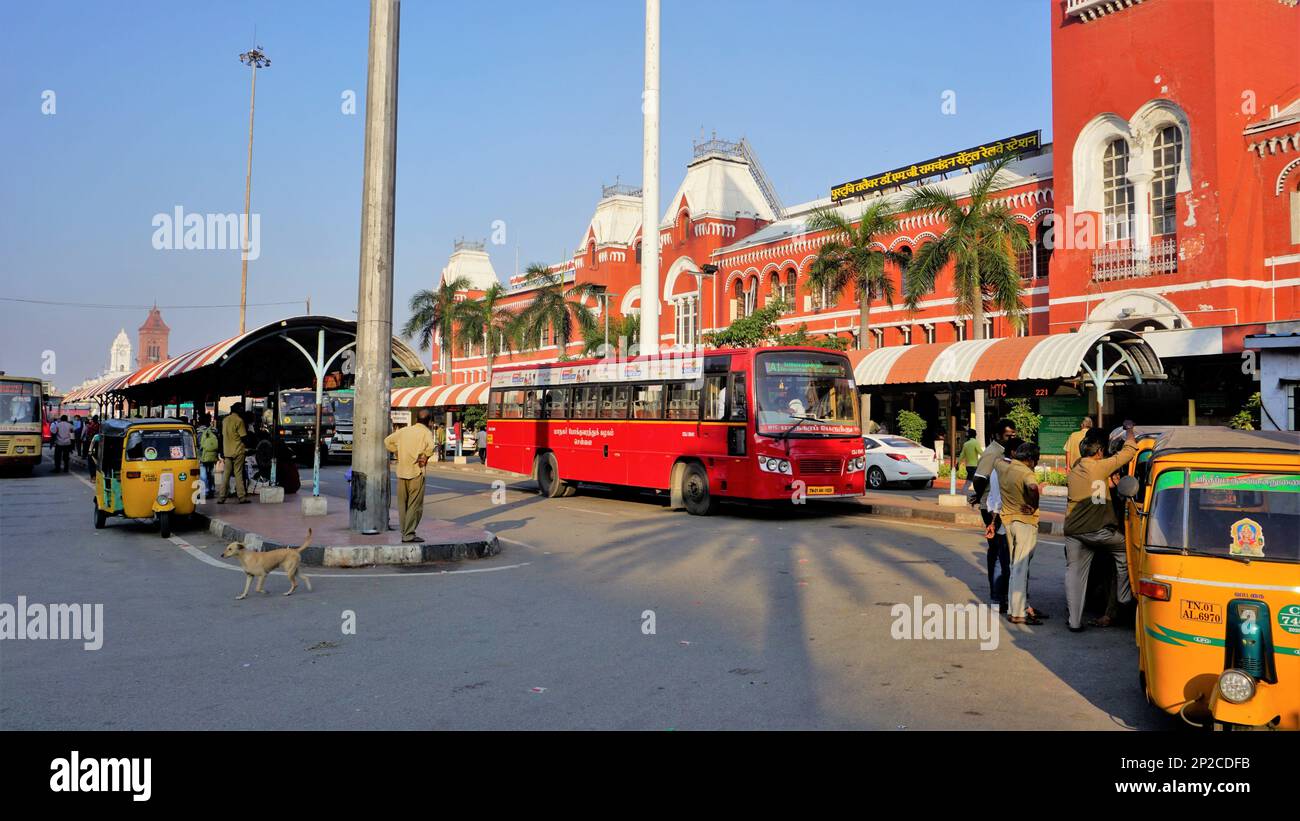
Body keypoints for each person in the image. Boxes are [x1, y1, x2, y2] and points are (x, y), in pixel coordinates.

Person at [1064, 420, 1138, 632]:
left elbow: (1097, 487)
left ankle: (1074, 622)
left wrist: (1111, 483)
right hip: (1098, 532)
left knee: (1074, 575)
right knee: (1125, 550)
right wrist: (1130, 429)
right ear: (1100, 452)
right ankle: (1124, 598)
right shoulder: (1101, 466)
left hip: (1073, 532)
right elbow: (1129, 450)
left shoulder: (1076, 467)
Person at [969, 418, 1016, 608]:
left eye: (1013, 434)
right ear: (997, 435)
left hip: (1003, 505)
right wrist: (980, 496)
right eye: (1008, 435)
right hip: (991, 507)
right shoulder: (993, 453)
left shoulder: (1006, 450)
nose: (1011, 438)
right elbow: (980, 479)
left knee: (1005, 552)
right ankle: (996, 595)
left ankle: (1003, 593)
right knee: (997, 551)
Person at [1000, 442, 1042, 625]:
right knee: (1020, 567)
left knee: (1014, 567)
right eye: (1036, 460)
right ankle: (1018, 613)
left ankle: (1015, 608)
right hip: (1025, 522)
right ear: (1030, 459)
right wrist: (1033, 506)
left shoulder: (1005, 468)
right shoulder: (1026, 472)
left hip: (1008, 520)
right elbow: (1033, 488)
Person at [384, 409, 435, 543]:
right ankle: (409, 534)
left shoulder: (404, 431)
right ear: (429, 422)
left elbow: (387, 441)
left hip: (401, 472)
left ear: (416, 419)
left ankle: (404, 532)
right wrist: (424, 456)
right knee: (415, 505)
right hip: (416, 472)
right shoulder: (426, 432)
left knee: (403, 505)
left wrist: (397, 452)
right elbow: (431, 447)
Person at [218, 403, 250, 504]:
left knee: (226, 474)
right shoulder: (239, 421)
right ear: (239, 410)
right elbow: (244, 437)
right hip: (238, 451)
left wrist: (222, 451)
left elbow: (222, 436)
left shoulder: (225, 420)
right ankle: (241, 497)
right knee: (238, 473)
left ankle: (222, 497)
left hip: (227, 451)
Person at [197, 414, 220, 499]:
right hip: (212, 454)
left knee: (203, 473)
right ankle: (212, 489)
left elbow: (198, 444)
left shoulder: (198, 431)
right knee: (211, 472)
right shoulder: (214, 430)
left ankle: (204, 491)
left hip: (202, 455)